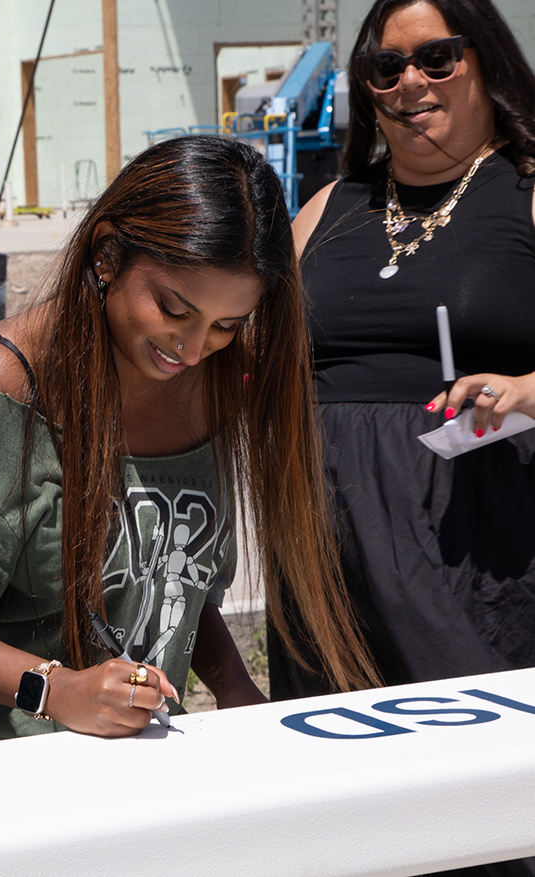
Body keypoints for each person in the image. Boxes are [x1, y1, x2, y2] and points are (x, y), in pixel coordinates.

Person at [0, 136, 380, 746]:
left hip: (124, 756)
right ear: (107, 253)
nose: (191, 349)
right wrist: (58, 690)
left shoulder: (210, 380)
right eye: (173, 308)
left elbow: (175, 582)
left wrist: (235, 687)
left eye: (226, 325)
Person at [274, 5, 535, 871]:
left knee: (482, 807)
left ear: (485, 60)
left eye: (435, 58)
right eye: (384, 70)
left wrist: (528, 388)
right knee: (344, 807)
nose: (409, 83)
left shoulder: (525, 189)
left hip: (474, 541)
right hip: (321, 549)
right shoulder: (327, 207)